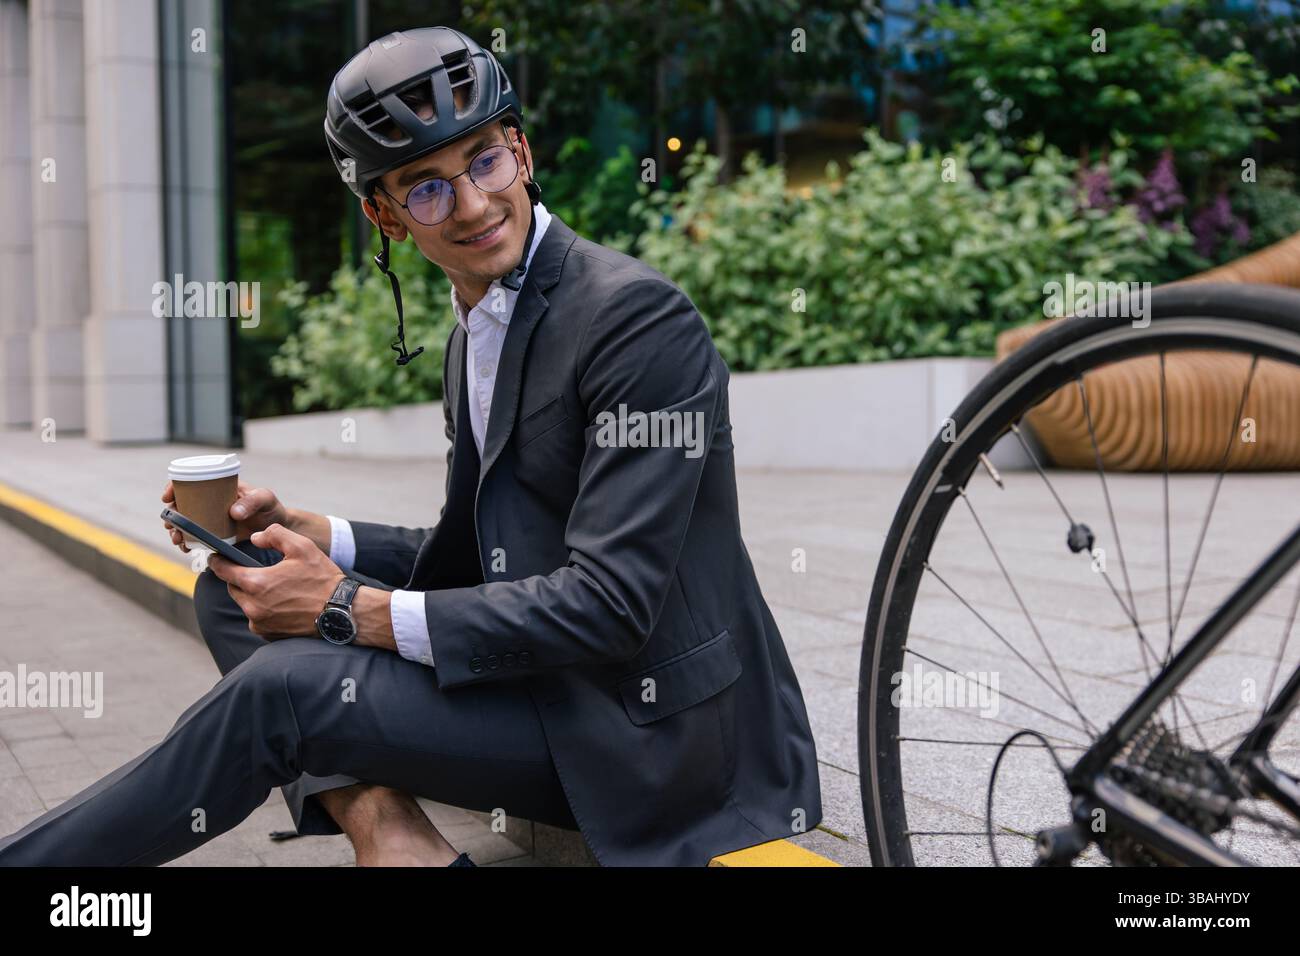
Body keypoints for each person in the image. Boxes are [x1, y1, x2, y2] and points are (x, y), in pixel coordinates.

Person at [0, 25, 821, 868]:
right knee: (235, 584)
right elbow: (480, 556)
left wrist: (347, 609)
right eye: (425, 189)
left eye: (484, 162)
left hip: (652, 736)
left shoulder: (635, 319)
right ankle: (392, 833)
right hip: (546, 686)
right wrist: (321, 537)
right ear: (383, 215)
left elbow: (608, 606)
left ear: (523, 153)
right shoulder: (477, 332)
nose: (470, 204)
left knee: (287, 685)